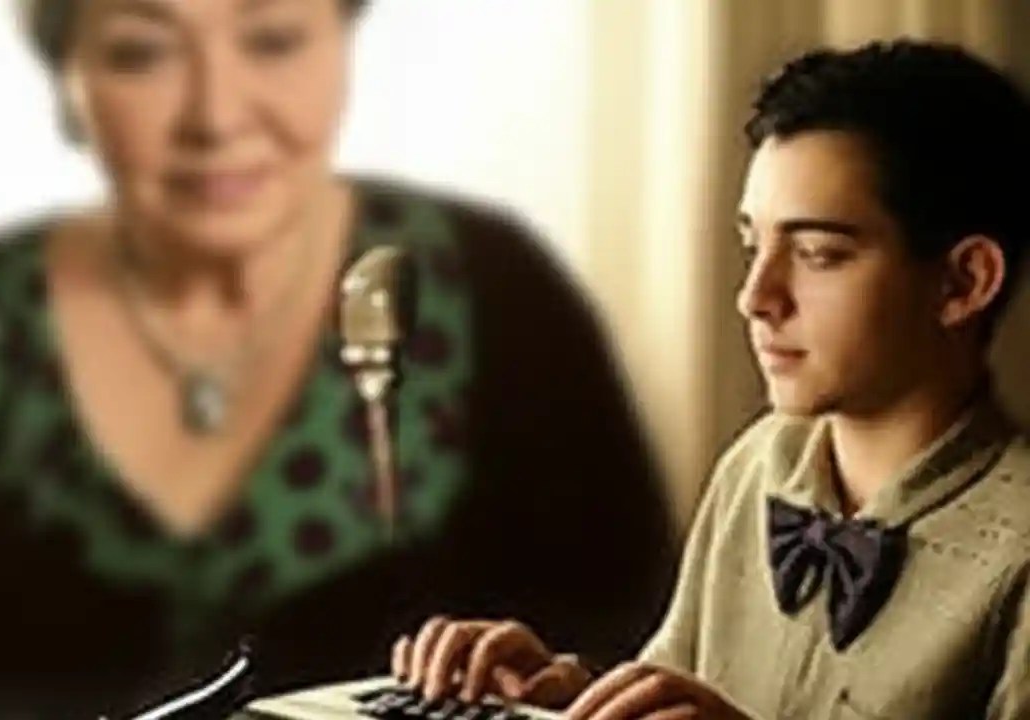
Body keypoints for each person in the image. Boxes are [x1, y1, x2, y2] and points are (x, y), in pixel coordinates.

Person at [0, 0, 675, 717]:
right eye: (140, 53)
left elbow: (641, 646)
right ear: (70, 75)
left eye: (271, 42)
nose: (215, 112)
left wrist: (557, 682)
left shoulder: (494, 297)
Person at [392, 39, 1030, 719]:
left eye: (818, 253)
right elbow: (672, 680)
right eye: (754, 244)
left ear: (964, 282)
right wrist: (560, 695)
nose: (756, 297)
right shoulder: (757, 464)